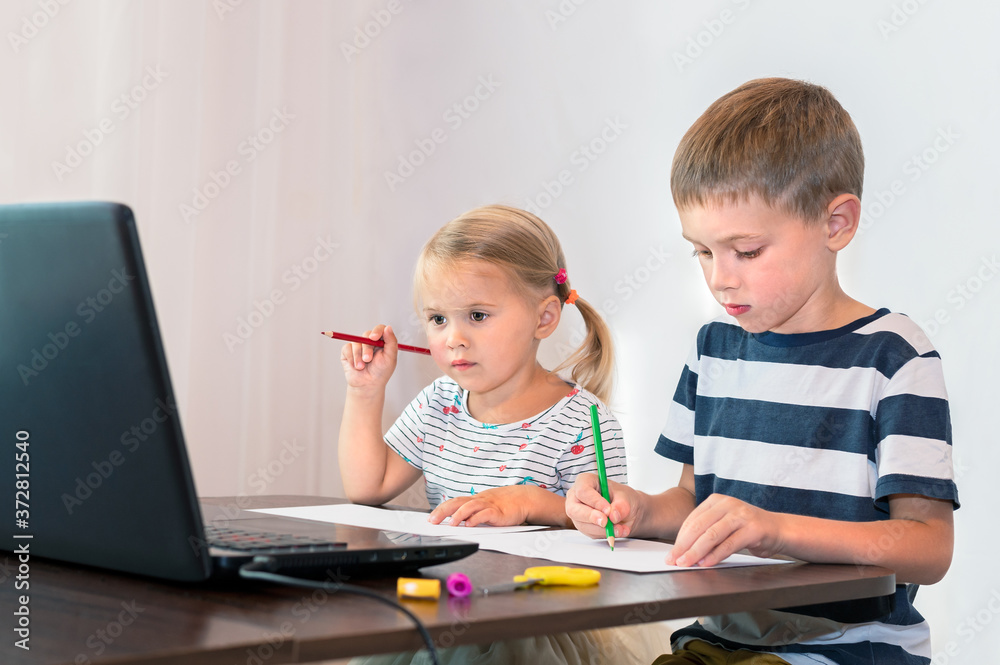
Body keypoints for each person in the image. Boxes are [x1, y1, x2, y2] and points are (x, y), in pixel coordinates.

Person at [566, 78, 959, 665]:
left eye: (746, 251)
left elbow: (929, 548)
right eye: (702, 251)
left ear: (836, 224)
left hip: (847, 649)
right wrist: (637, 511)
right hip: (719, 640)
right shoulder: (713, 350)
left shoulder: (894, 358)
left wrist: (776, 530)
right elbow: (692, 501)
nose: (719, 278)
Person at [339, 204, 670, 664]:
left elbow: (609, 529)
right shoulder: (439, 403)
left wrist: (529, 502)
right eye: (437, 319)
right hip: (444, 607)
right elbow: (367, 487)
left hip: (535, 622)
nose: (453, 338)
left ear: (544, 318)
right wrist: (364, 392)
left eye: (477, 315)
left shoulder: (582, 421)